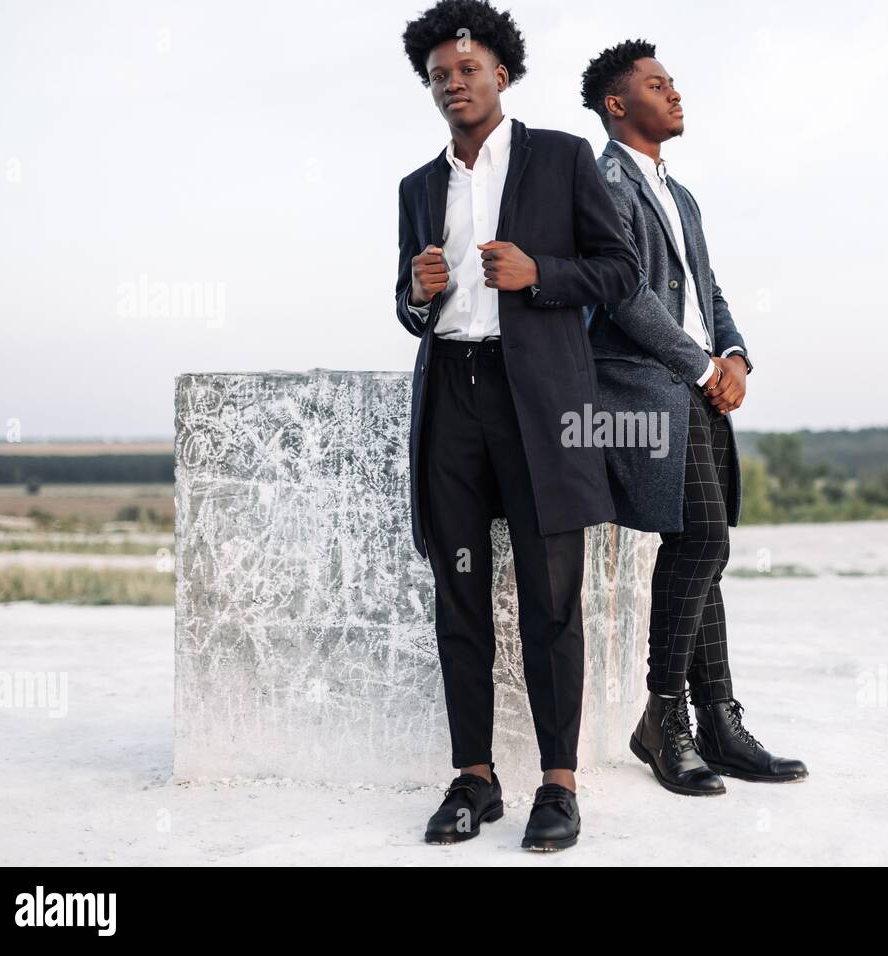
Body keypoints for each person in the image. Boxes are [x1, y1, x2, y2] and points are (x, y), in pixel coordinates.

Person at [395, 0, 637, 850]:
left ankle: (559, 786)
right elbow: (404, 306)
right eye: (439, 77)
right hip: (452, 402)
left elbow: (618, 271)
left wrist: (541, 274)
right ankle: (474, 779)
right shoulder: (419, 188)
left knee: (550, 602)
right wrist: (417, 296)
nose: (453, 83)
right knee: (459, 599)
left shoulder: (564, 160)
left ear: (502, 73)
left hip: (539, 404)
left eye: (467, 69)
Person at [579, 39, 808, 796]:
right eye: (657, 84)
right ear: (619, 104)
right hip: (643, 391)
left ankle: (718, 720)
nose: (675, 94)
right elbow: (625, 296)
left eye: (672, 82)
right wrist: (702, 366)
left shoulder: (682, 197)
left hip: (698, 387)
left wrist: (736, 354)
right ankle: (663, 716)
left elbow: (708, 292)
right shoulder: (604, 182)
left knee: (706, 551)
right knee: (701, 539)